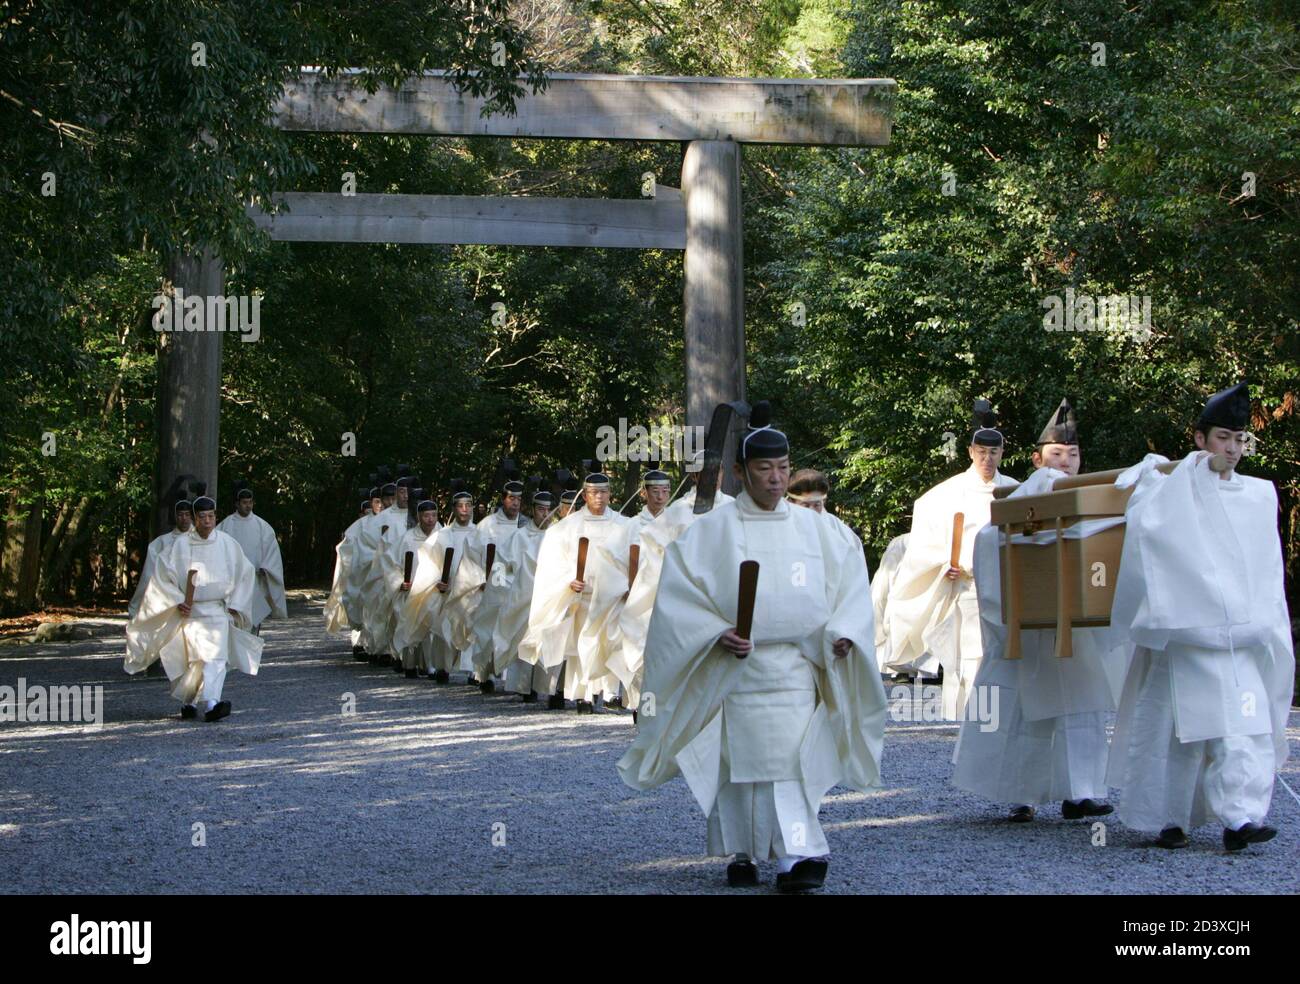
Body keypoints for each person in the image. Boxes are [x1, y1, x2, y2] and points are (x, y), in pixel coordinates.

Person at [618, 402, 887, 893]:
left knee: (791, 760)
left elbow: (851, 583)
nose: (777, 479)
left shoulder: (820, 529)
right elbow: (679, 597)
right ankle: (746, 850)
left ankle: (797, 854)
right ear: (741, 472)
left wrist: (845, 631)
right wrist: (715, 631)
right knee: (740, 766)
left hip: (797, 666)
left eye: (783, 468)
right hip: (736, 667)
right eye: (765, 469)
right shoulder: (711, 531)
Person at [1106, 382, 1293, 852]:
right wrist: (1174, 476)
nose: (1232, 449)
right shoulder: (1174, 489)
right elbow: (1149, 530)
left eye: (1239, 440)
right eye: (1222, 438)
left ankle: (1241, 819)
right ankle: (1172, 817)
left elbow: (1266, 564)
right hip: (1189, 632)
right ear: (1200, 439)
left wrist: (1267, 621)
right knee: (1178, 730)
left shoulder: (1258, 495)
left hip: (1243, 634)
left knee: (1243, 727)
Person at [951, 399, 1127, 822]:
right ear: (1036, 458)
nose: (1065, 463)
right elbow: (991, 556)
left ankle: (1081, 790)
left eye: (1073, 455)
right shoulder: (1018, 505)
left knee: (1082, 708)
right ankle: (1022, 793)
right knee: (1024, 712)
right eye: (1055, 455)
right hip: (1030, 629)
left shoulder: (1094, 505)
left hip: (1078, 626)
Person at [887, 399, 1017, 719]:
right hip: (966, 589)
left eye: (994, 453)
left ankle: (995, 724)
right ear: (971, 452)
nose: (988, 459)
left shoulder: (1016, 492)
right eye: (982, 452)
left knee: (1001, 658)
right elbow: (923, 544)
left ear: (1002, 454)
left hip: (1007, 591)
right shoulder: (946, 494)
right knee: (969, 658)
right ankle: (968, 723)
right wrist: (945, 563)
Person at [124, 495, 263, 721]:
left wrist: (236, 605)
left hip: (217, 611)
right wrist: (178, 600)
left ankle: (211, 704)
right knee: (191, 659)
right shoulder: (179, 546)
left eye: (211, 516)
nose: (207, 521)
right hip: (189, 613)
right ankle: (188, 702)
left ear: (215, 517)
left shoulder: (228, 544)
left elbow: (244, 574)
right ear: (195, 520)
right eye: (202, 517)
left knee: (215, 657)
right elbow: (162, 578)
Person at [520, 471, 631, 712]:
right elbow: (553, 562)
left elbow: (632, 558)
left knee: (613, 643)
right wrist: (568, 580)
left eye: (603, 492)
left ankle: (612, 693)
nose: (599, 497)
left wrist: (628, 584)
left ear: (610, 494)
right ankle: (584, 696)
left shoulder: (624, 525)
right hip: (584, 595)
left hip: (613, 597)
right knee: (585, 645)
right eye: (593, 493)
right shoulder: (567, 527)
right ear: (585, 495)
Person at [586, 468, 673, 711]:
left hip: (668, 599)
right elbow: (610, 559)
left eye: (665, 491)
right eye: (655, 491)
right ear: (644, 493)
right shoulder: (631, 526)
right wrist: (623, 586)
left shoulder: (676, 522)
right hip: (637, 600)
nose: (660, 496)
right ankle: (638, 705)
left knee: (664, 650)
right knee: (637, 650)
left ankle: (662, 703)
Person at [399, 480, 484, 684]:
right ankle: (442, 668)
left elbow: (488, 560)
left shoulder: (481, 533)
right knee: (444, 629)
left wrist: (484, 579)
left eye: (468, 505)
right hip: (447, 590)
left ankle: (474, 671)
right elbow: (428, 562)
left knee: (473, 628)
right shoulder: (442, 535)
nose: (464, 510)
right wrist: (437, 582)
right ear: (454, 509)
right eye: (460, 506)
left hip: (472, 591)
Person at [496, 487, 562, 702]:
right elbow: (502, 565)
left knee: (549, 642)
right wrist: (501, 590)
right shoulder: (519, 536)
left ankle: (549, 688)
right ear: (533, 510)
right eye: (540, 509)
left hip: (550, 598)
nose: (544, 514)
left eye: (548, 510)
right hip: (524, 596)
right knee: (523, 639)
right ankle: (524, 688)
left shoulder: (558, 536)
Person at [469, 472, 526, 693]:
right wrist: (481, 579)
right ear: (503, 499)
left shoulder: (525, 525)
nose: (515, 503)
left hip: (515, 585)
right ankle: (483, 674)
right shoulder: (487, 525)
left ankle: (517, 680)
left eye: (519, 499)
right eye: (512, 498)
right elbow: (473, 554)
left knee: (515, 631)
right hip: (492, 583)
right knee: (487, 629)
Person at [216, 483, 287, 632]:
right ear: (237, 504)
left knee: (253, 622)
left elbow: (271, 554)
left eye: (250, 502)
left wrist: (265, 569)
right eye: (244, 503)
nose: (247, 506)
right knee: (234, 622)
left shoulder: (263, 527)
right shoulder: (225, 526)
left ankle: (251, 652)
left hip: (255, 581)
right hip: (232, 582)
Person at [128, 481, 200, 619]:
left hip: (196, 597)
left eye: (187, 514)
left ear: (192, 516)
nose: (184, 518)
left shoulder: (201, 541)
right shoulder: (161, 543)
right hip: (168, 597)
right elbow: (149, 575)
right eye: (180, 515)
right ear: (175, 516)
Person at [390, 496, 442, 678]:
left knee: (431, 629)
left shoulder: (443, 536)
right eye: (426, 516)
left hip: (434, 590)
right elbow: (394, 565)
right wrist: (399, 583)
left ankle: (430, 666)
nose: (430, 520)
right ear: (419, 517)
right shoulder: (408, 539)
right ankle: (410, 665)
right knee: (410, 625)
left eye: (434, 515)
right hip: (411, 590)